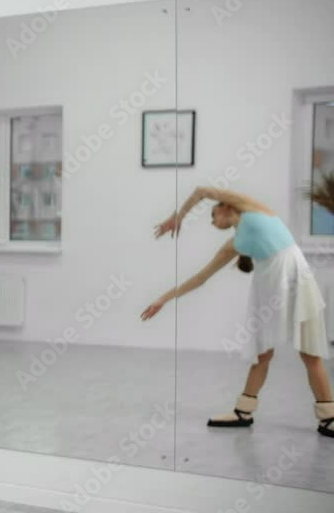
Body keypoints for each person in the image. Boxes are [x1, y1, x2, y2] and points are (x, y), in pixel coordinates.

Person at [140, 186, 333, 438]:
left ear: (225, 208)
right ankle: (243, 412)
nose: (211, 223)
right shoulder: (233, 245)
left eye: (212, 217)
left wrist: (179, 216)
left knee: (310, 355)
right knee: (262, 355)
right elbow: (200, 278)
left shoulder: (253, 208)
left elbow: (201, 190)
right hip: (268, 290)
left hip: (295, 279)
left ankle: (329, 417)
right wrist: (163, 299)